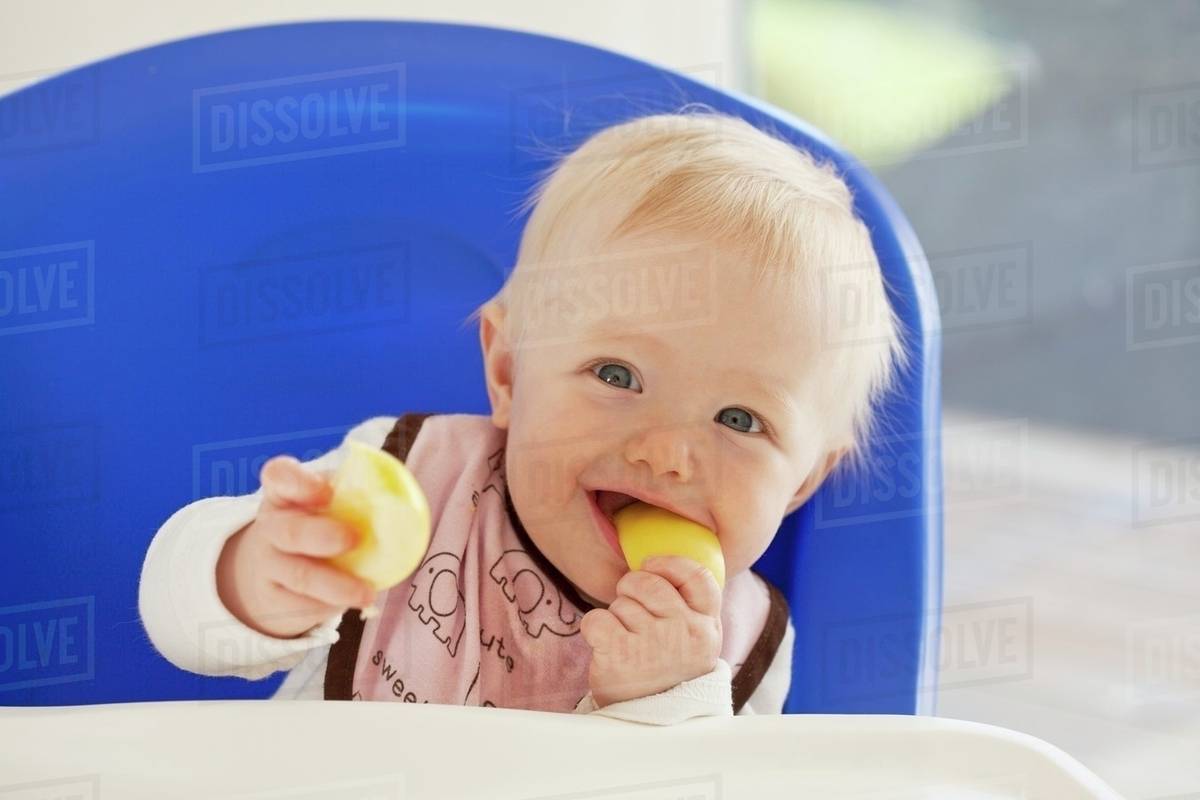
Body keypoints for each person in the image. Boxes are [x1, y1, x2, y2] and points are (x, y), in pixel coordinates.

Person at [138, 109, 905, 725]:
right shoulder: (414, 478)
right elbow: (180, 625)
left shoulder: (739, 644)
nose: (669, 453)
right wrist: (255, 577)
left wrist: (664, 702)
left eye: (739, 419)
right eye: (618, 374)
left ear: (805, 478)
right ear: (508, 371)